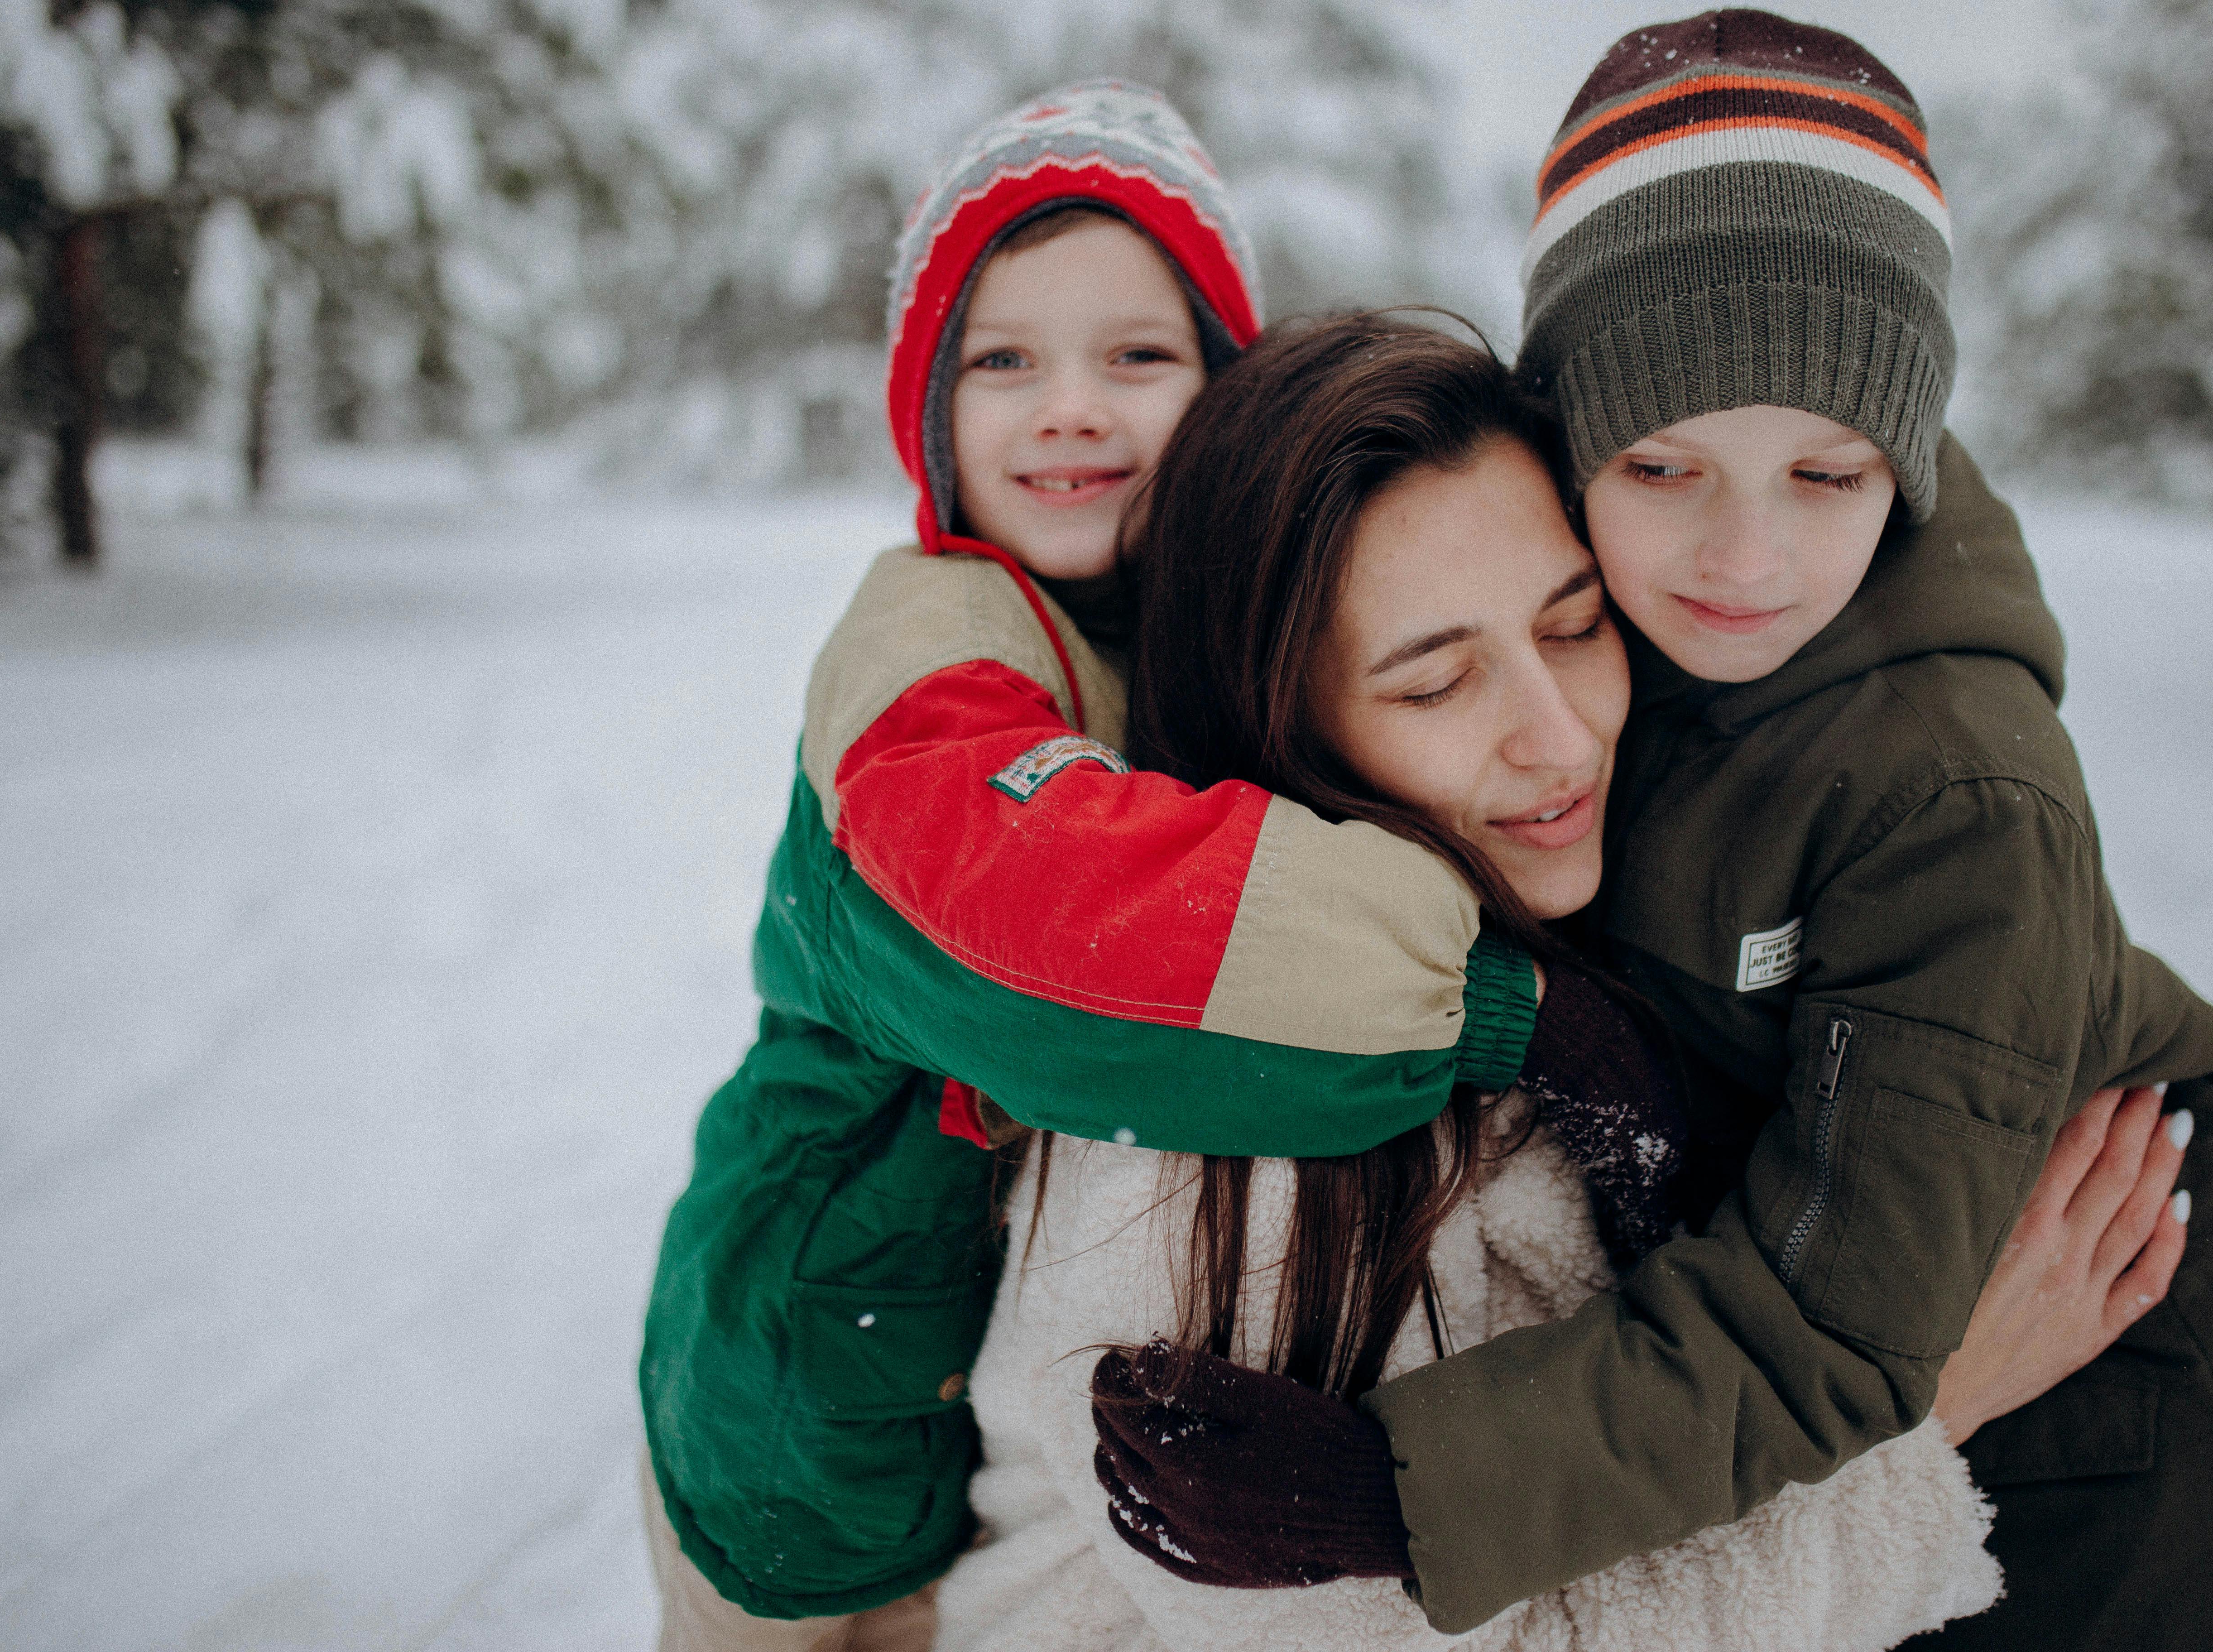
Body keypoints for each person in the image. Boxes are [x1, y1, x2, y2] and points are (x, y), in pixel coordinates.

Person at [1093, 15, 2213, 1650]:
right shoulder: (1619, 629)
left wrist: (1396, 1492)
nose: (1743, 557)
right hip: (1857, 1425)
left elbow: (1827, 1322)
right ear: (1568, 438)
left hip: (2116, 1432)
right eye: (1663, 462)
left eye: (1829, 474)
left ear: (1909, 461)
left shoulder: (1957, 804)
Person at [934, 313, 2189, 1652]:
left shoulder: (1552, 933)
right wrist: (1933, 1416)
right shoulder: (1201, 1174)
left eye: (1574, 625)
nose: (1559, 734)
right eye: (1438, 684)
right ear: (1277, 734)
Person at [640, 79, 1637, 1650]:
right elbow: (1053, 926)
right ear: (929, 416)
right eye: (1003, 363)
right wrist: (1501, 1012)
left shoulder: (1152, 644)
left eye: (1140, 357)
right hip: (794, 1421)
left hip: (943, 1401)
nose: (1071, 409)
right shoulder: (932, 655)